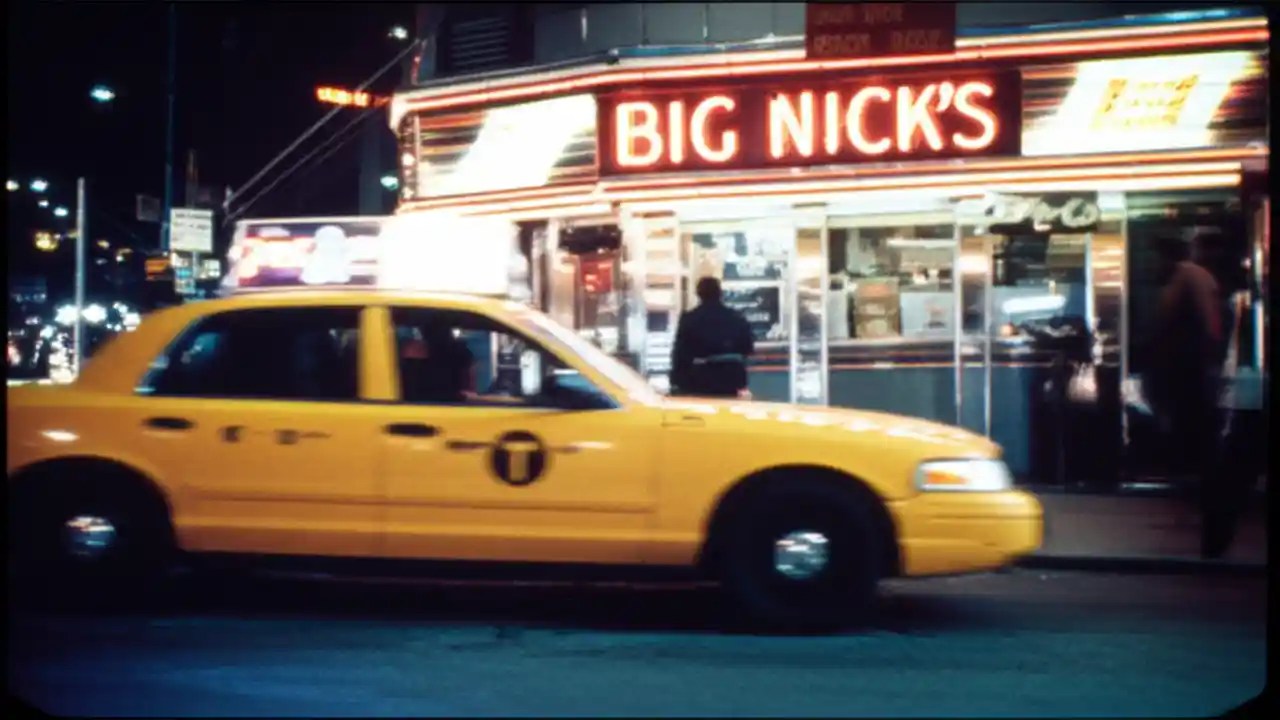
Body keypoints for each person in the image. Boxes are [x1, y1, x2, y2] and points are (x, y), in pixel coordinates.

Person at [1146, 230, 1234, 558]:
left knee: (1205, 455)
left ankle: (1215, 533)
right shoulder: (1195, 278)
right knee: (1202, 454)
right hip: (1192, 379)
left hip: (1192, 380)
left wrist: (1205, 370)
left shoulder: (1189, 276)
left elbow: (1208, 329)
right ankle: (1211, 531)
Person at [670, 276, 755, 398]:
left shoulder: (690, 319)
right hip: (731, 376)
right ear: (720, 293)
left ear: (699, 294)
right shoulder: (736, 317)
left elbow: (680, 354)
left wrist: (676, 381)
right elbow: (748, 348)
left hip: (700, 377)